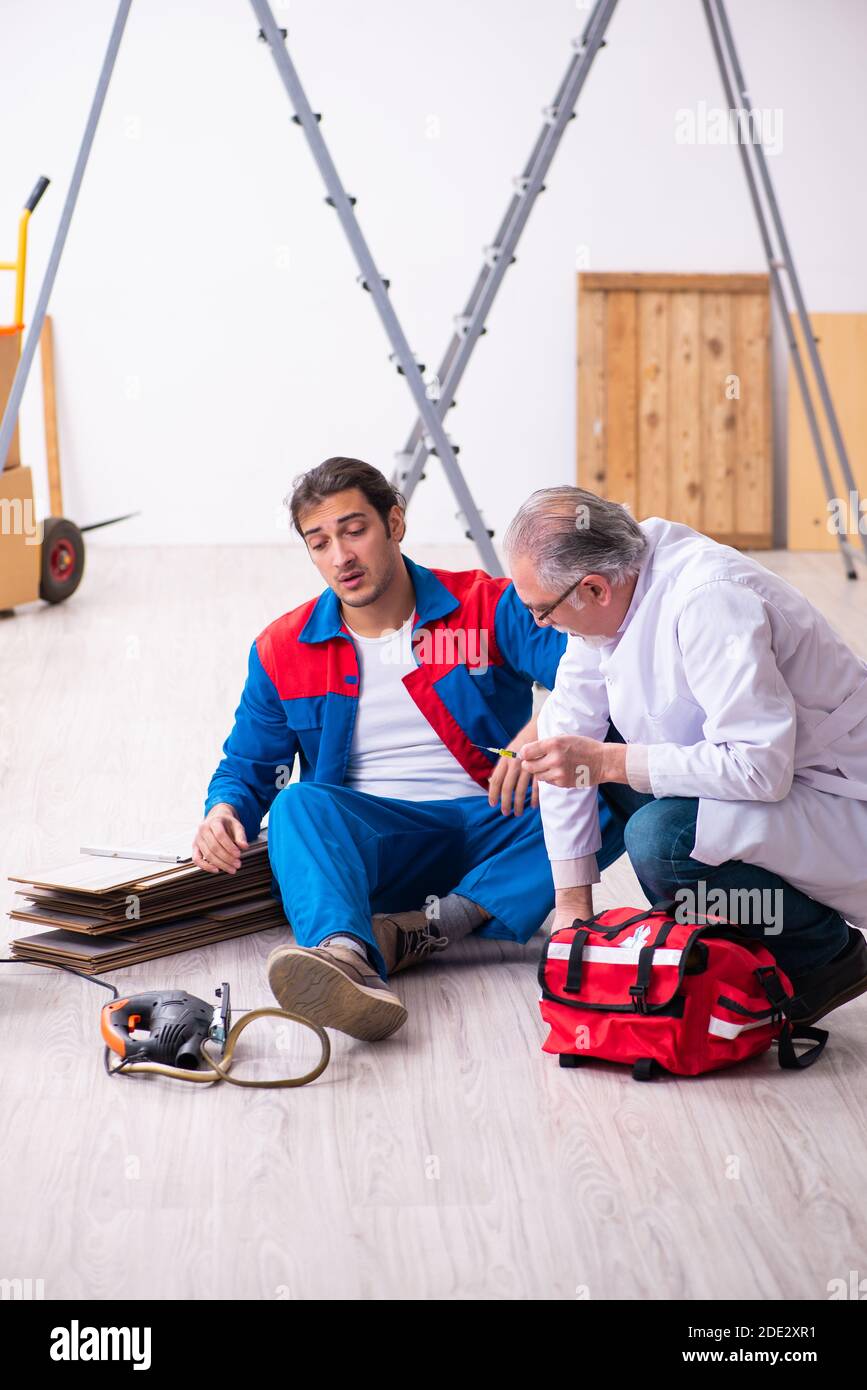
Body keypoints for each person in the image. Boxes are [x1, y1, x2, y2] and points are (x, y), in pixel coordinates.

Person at [193, 458, 622, 1042]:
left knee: (608, 781)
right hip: (385, 846)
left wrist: (542, 728)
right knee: (297, 806)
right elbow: (248, 769)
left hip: (500, 821)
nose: (340, 556)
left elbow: (590, 663)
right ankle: (345, 956)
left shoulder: (483, 604)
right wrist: (223, 811)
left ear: (394, 523)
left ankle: (437, 926)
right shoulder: (281, 648)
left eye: (354, 530)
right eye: (319, 543)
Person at [506, 486, 867, 1028]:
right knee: (590, 762)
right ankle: (722, 956)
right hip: (770, 783)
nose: (540, 625)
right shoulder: (614, 582)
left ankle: (823, 958)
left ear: (593, 589)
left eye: (542, 612)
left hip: (835, 798)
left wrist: (607, 762)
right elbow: (566, 736)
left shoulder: (709, 599)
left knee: (660, 839)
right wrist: (573, 907)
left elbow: (760, 768)